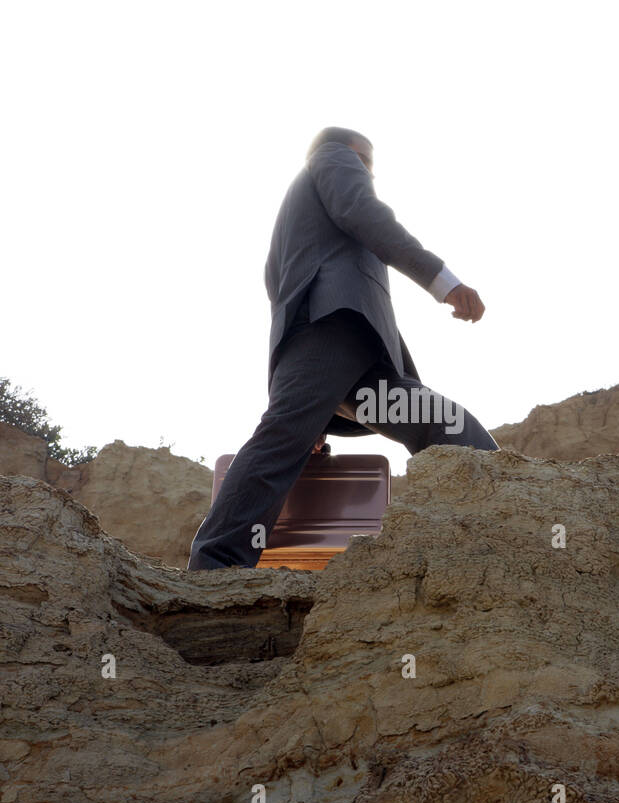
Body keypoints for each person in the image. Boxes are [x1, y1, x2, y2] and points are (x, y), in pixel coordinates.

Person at [187, 126, 498, 571]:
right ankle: (215, 565)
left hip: (346, 351)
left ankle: (503, 510)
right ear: (355, 153)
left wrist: (317, 413)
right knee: (280, 441)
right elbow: (363, 211)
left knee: (436, 422)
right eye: (367, 164)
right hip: (335, 330)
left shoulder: (296, 224)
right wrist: (442, 280)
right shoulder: (333, 156)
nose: (367, 174)